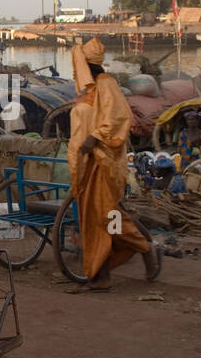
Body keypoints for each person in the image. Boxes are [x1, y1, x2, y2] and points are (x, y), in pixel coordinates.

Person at [67, 38, 157, 290]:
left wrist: (94, 137)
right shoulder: (89, 91)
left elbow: (118, 116)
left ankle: (144, 247)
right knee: (93, 224)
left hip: (102, 164)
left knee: (110, 217)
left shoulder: (106, 84)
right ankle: (101, 276)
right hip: (85, 166)